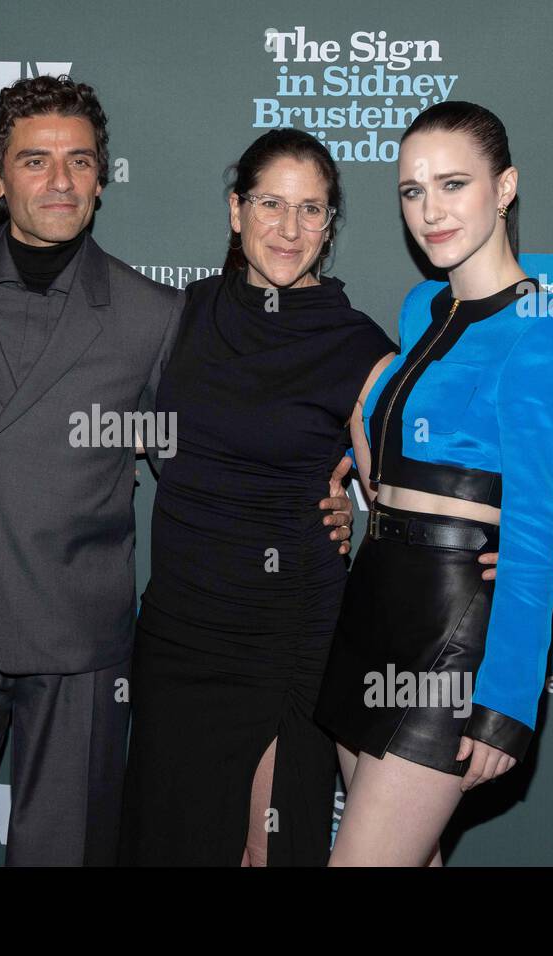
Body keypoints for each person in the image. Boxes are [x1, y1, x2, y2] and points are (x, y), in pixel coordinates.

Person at [0, 74, 202, 866]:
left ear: (101, 177)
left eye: (81, 162)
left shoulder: (150, 313)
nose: (60, 181)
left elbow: (192, 470)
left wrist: (311, 506)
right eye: (35, 161)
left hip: (79, 637)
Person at [313, 101, 553, 866]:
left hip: (453, 624)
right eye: (412, 191)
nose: (430, 211)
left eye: (453, 184)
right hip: (372, 600)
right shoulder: (420, 307)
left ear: (504, 188)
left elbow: (538, 526)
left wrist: (507, 698)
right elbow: (390, 471)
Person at [118, 129, 399, 866]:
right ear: (236, 211)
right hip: (180, 633)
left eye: (312, 210)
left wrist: (479, 550)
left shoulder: (359, 346)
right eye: (271, 203)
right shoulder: (178, 317)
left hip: (290, 638)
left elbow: (396, 502)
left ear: (330, 226)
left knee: (267, 852)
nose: (289, 228)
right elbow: (129, 435)